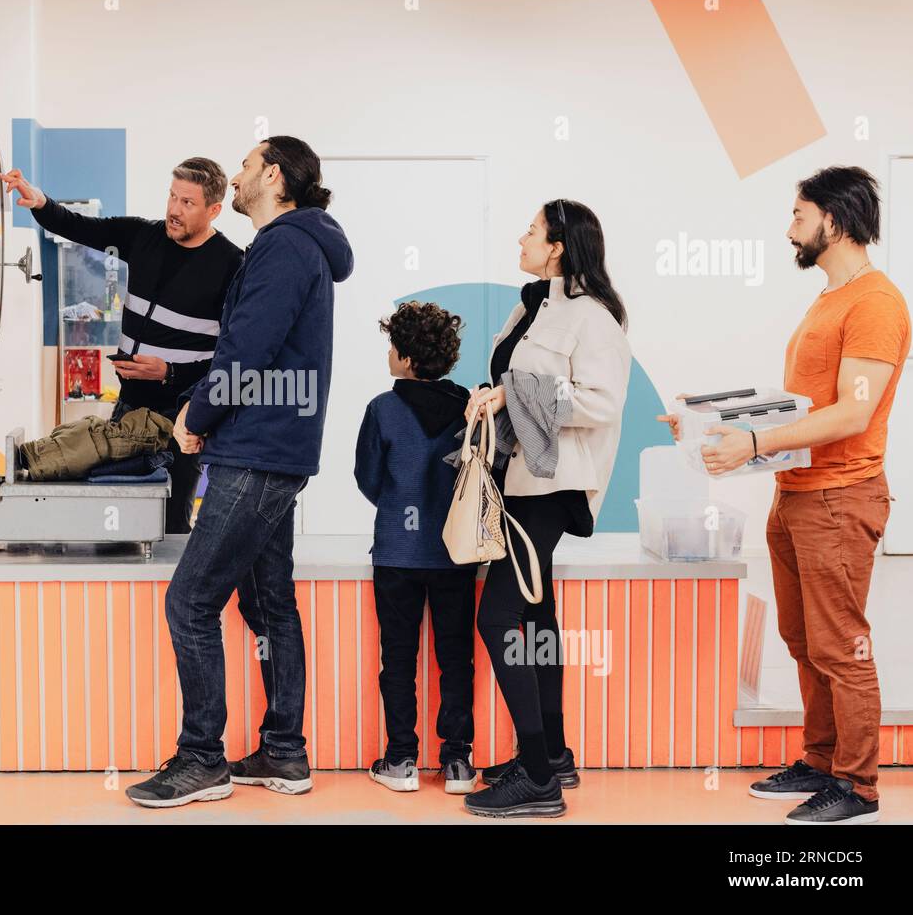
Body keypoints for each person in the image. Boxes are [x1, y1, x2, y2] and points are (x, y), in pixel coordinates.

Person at [663, 167, 909, 825]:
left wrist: (752, 443)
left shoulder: (875, 303)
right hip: (798, 494)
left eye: (799, 216)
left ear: (834, 220)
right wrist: (708, 419)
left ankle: (857, 788)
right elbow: (802, 407)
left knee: (841, 645)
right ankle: (823, 760)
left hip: (840, 497)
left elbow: (852, 414)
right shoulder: (831, 299)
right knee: (804, 640)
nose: (789, 229)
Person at [124, 136, 353, 808]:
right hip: (273, 448)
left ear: (274, 175)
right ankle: (284, 750)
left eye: (248, 165)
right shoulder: (298, 245)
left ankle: (202, 758)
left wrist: (196, 414)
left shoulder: (283, 247)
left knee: (190, 601)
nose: (238, 174)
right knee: (268, 603)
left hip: (255, 450)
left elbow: (247, 349)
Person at [461, 199, 631, 819]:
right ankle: (553, 755)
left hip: (553, 486)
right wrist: (494, 394)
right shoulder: (533, 304)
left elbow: (602, 402)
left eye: (532, 230)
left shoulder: (594, 317)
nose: (522, 238)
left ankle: (536, 779)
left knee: (498, 616)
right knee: (535, 618)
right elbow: (512, 378)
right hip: (519, 478)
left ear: (558, 245)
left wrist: (515, 394)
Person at [0, 159, 243, 533]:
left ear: (214, 210)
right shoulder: (143, 236)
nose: (174, 210)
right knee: (119, 516)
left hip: (180, 418)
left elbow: (234, 357)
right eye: (172, 196)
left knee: (171, 524)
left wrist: (169, 372)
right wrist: (39, 201)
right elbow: (78, 226)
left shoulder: (231, 265)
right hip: (128, 408)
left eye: (187, 203)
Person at [355, 301, 479, 794]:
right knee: (456, 658)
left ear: (406, 358)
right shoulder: (469, 406)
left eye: (392, 347)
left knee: (399, 659)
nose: (389, 355)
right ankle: (458, 762)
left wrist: (397, 504)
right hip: (455, 553)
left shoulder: (382, 409)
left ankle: (401, 759)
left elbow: (368, 479)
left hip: (397, 554)